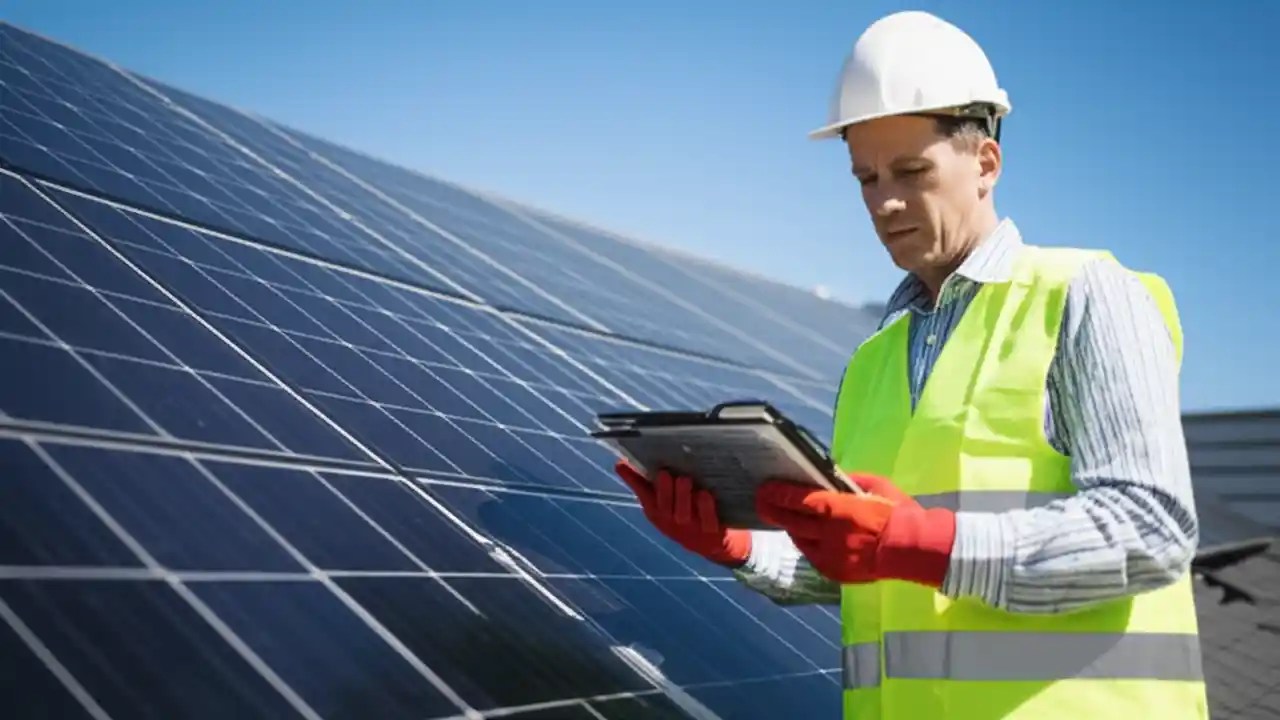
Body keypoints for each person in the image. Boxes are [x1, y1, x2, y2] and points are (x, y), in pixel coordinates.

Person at [613, 9, 1210, 720]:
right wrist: (742, 544)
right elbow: (870, 572)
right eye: (864, 177)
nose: (884, 202)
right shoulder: (872, 362)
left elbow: (1152, 530)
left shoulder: (1084, 296)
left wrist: (919, 539)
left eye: (911, 171)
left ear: (985, 162)